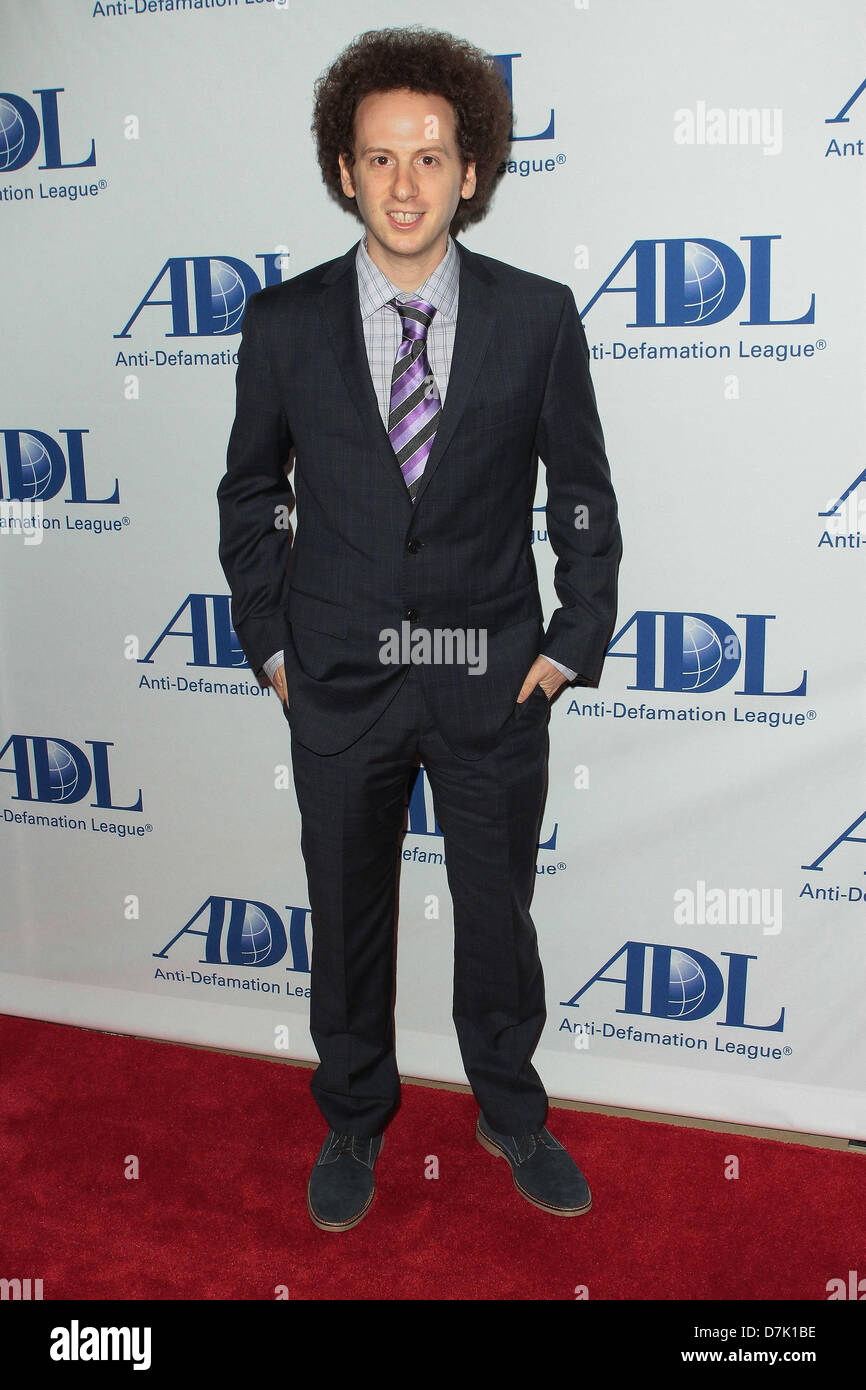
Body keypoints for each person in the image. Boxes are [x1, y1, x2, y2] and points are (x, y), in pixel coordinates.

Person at [217, 25, 621, 1232]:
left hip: (489, 675)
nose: (404, 183)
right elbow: (249, 494)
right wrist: (274, 645)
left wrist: (572, 631)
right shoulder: (281, 323)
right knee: (343, 913)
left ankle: (509, 1105)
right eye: (379, 158)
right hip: (339, 679)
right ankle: (352, 1116)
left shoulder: (538, 315)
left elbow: (582, 490)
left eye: (430, 156)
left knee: (497, 914)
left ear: (472, 172)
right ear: (344, 170)